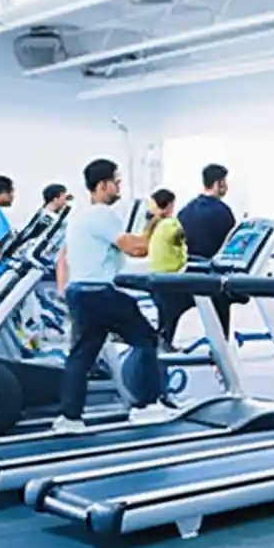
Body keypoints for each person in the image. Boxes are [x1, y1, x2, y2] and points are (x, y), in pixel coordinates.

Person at [53, 158, 166, 433]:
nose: (119, 187)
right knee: (146, 339)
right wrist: (154, 221)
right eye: (116, 182)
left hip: (79, 292)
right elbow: (138, 249)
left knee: (81, 355)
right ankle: (147, 406)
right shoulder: (102, 214)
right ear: (102, 185)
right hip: (99, 294)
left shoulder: (79, 216)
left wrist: (63, 291)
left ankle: (69, 418)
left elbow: (62, 258)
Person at [178, 164, 236, 337]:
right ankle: (222, 347)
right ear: (218, 184)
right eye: (224, 182)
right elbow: (230, 248)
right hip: (213, 278)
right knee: (224, 298)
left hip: (186, 275)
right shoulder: (223, 212)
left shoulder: (185, 211)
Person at [148, 189, 188, 348]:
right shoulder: (171, 223)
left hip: (156, 277)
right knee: (172, 314)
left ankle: (162, 342)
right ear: (170, 205)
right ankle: (165, 344)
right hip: (171, 277)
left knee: (164, 315)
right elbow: (180, 237)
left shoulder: (154, 225)